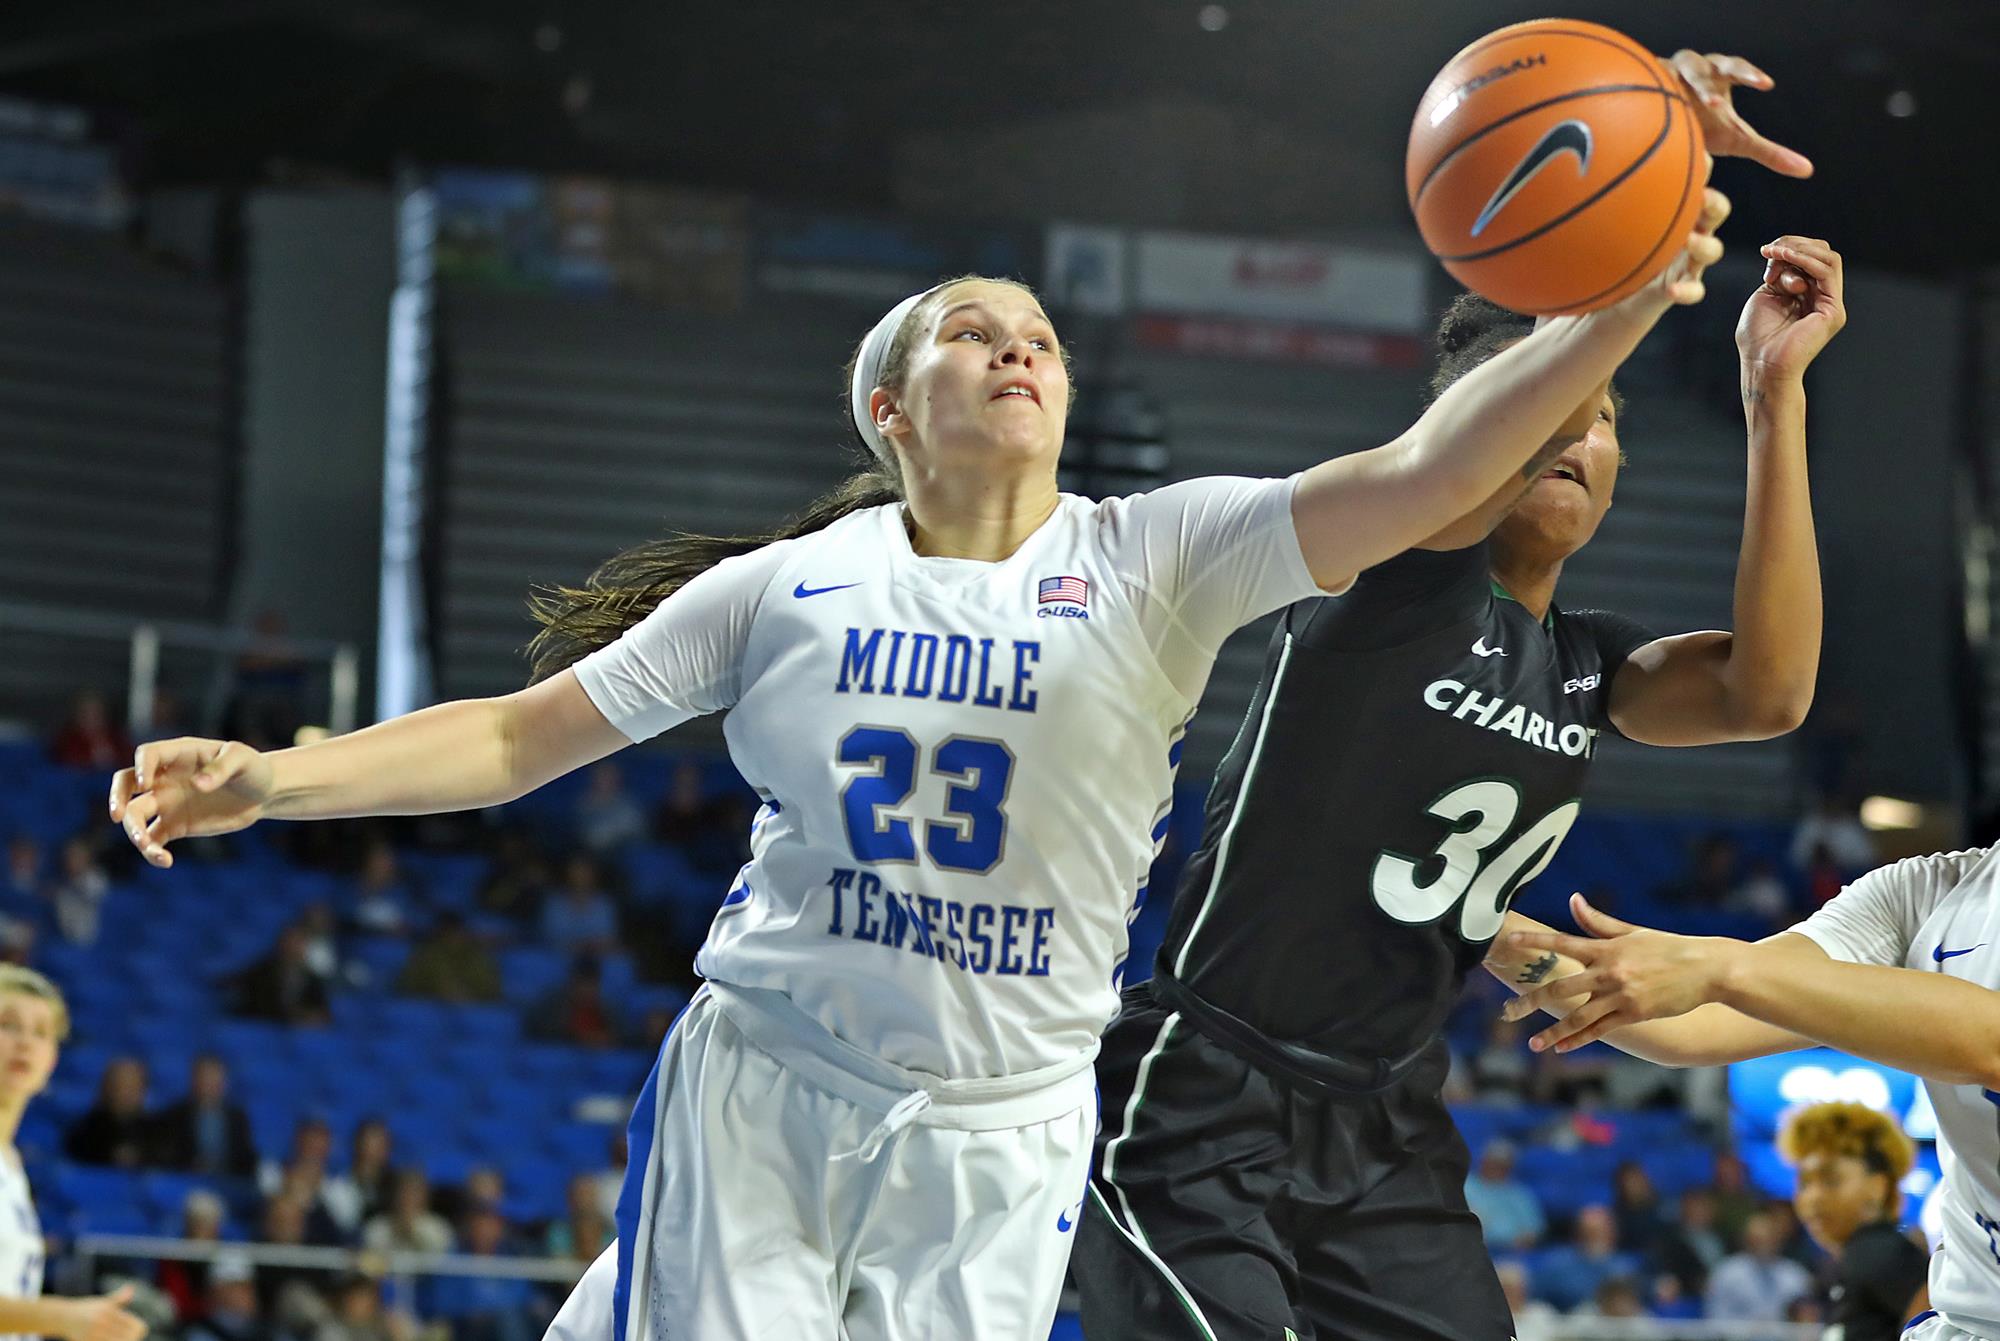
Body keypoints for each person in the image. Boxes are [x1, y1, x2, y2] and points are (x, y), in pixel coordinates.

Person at [112, 206, 1726, 1336]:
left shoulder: (1156, 555)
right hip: (773, 1081)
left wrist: (1634, 295)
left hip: (1006, 1126)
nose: (1018, 351)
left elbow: (1433, 468)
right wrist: (273, 775)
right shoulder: (782, 589)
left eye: (1039, 339)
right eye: (973, 332)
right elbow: (517, 738)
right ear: (893, 404)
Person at [1081, 176, 1838, 1341]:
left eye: (1604, 422)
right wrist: (1637, 262)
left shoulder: (1586, 666)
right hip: (1205, 1088)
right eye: (1552, 409)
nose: (1578, 437)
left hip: (1388, 1125)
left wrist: (1769, 393)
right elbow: (1466, 459)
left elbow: (1768, 693)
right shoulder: (1394, 573)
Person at [1498, 845, 2000, 1341]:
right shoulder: (1924, 893)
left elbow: (1988, 1046)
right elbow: (1692, 1021)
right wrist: (1470, 920)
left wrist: (1723, 969)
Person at [0, 966, 148, 1341]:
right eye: (8, 1025)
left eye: (41, 1033)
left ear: (51, 1062)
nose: (25, 1043)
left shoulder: (12, 1164)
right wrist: (63, 1317)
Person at [1782, 1101, 1930, 1340]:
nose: (1813, 1198)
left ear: (1878, 1186)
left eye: (1831, 1180)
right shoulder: (1853, 1260)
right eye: (1804, 1183)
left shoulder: (1881, 1254)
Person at [149, 1054, 258, 1178]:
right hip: (188, 1180)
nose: (210, 1084)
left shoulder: (238, 1118)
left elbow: (246, 1156)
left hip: (227, 1181)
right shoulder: (175, 1115)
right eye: (205, 1078)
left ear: (224, 1082)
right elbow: (167, 1156)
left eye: (215, 1078)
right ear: (194, 1081)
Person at [1703, 1207, 1815, 1322]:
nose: (1764, 1245)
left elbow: (1806, 1319)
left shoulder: (1796, 1275)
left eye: (1769, 1239)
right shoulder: (1725, 1273)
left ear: (1779, 1240)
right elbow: (1716, 1317)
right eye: (1757, 1240)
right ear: (1745, 1241)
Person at [64, 1056, 153, 1168]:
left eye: (130, 1086)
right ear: (105, 1087)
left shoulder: (155, 1133)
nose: (123, 1092)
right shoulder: (84, 1131)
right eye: (118, 1085)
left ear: (142, 1090)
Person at [1463, 1139, 1544, 1251]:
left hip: (1513, 1251)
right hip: (1473, 1248)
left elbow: (1533, 1229)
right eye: (1493, 1162)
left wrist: (1522, 1242)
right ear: (1483, 1161)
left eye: (1502, 1164)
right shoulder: (1466, 1185)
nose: (1496, 1168)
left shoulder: (1519, 1193)